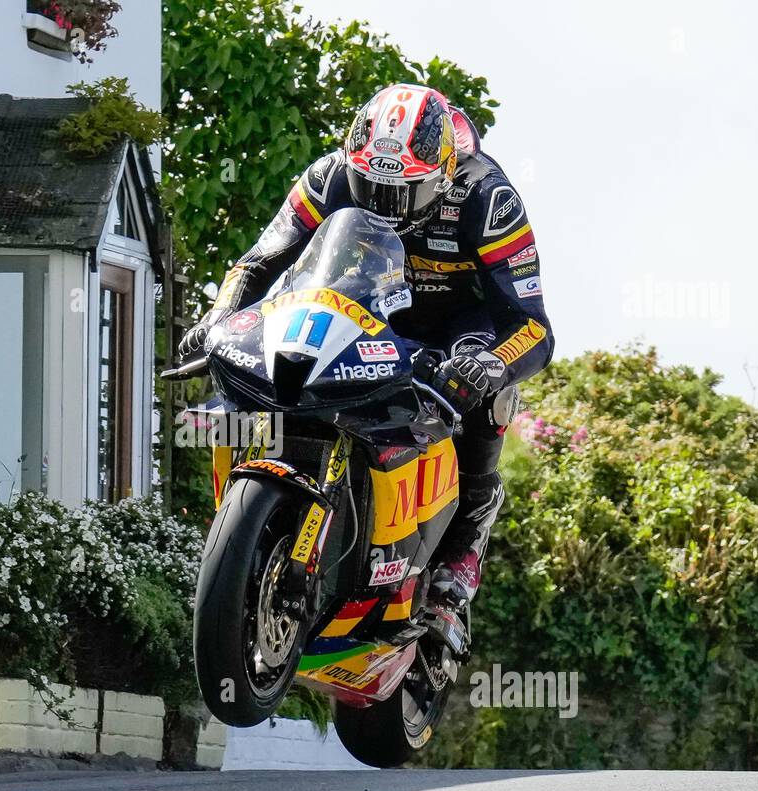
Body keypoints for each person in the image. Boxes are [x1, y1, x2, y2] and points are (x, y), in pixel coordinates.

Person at [178, 82, 555, 613]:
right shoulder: (329, 175)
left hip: (460, 321)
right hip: (368, 300)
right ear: (351, 161)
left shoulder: (487, 197)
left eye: (404, 191)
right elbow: (259, 260)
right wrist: (217, 318)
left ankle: (466, 538)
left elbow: (533, 326)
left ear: (443, 173)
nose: (384, 203)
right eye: (370, 185)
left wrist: (490, 366)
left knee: (483, 387)